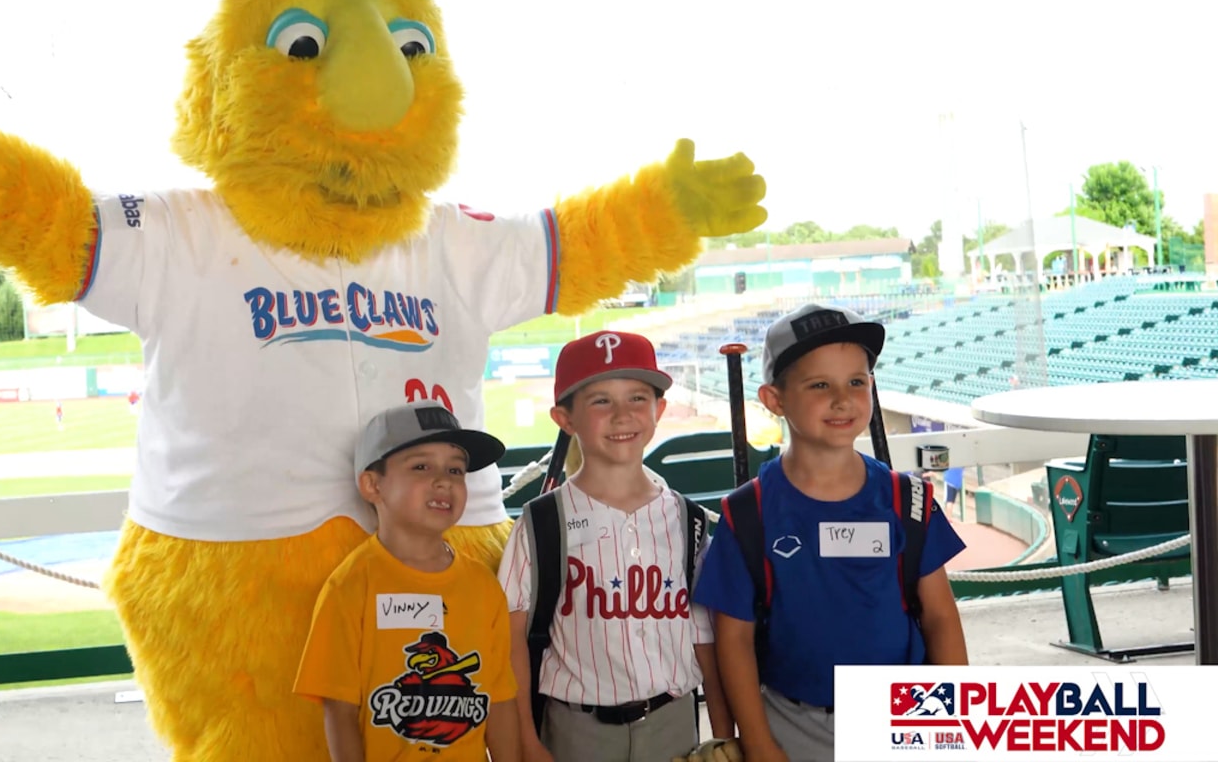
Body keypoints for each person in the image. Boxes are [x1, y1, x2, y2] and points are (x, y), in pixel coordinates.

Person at [696, 304, 969, 762]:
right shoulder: (748, 513)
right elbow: (734, 640)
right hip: (792, 723)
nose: (842, 399)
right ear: (774, 399)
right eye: (820, 384)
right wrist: (758, 743)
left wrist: (956, 724)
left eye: (856, 382)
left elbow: (941, 616)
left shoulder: (908, 501)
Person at [499, 330, 732, 762]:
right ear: (564, 419)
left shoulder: (689, 522)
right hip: (574, 731)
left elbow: (705, 639)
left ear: (660, 409)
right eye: (601, 401)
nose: (623, 415)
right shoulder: (540, 523)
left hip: (674, 726)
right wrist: (527, 743)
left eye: (638, 398)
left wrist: (722, 735)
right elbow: (510, 644)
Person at [295, 401, 520, 761]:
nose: (443, 480)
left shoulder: (482, 584)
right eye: (420, 466)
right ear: (372, 485)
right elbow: (339, 712)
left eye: (456, 470)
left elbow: (499, 699)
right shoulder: (350, 587)